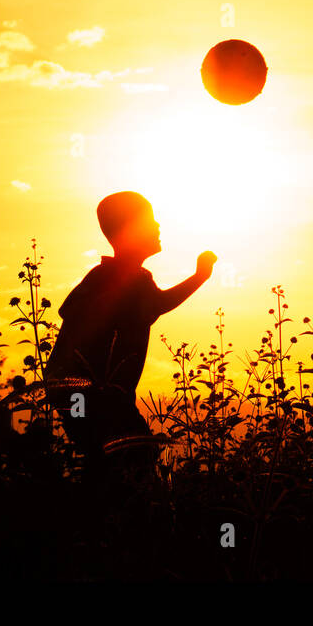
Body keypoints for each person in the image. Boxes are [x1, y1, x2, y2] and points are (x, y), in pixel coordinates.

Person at [45, 191, 216, 479]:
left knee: (110, 459)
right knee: (131, 456)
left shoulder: (115, 276)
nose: (158, 226)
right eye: (149, 220)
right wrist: (199, 277)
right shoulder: (124, 278)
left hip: (83, 391)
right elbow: (159, 304)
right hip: (94, 392)